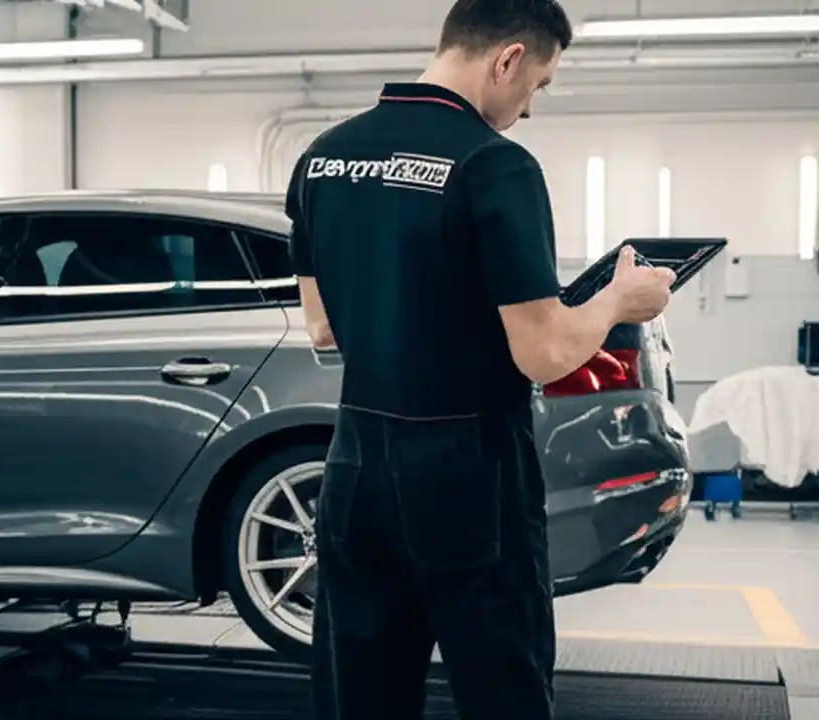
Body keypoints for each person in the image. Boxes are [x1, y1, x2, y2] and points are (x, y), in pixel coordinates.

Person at [287, 1, 678, 718]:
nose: (529, 108)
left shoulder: (323, 156)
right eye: (539, 84)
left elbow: (322, 329)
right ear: (508, 59)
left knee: (359, 693)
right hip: (468, 474)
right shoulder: (494, 164)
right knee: (503, 687)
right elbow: (545, 353)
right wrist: (620, 301)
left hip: (355, 467)